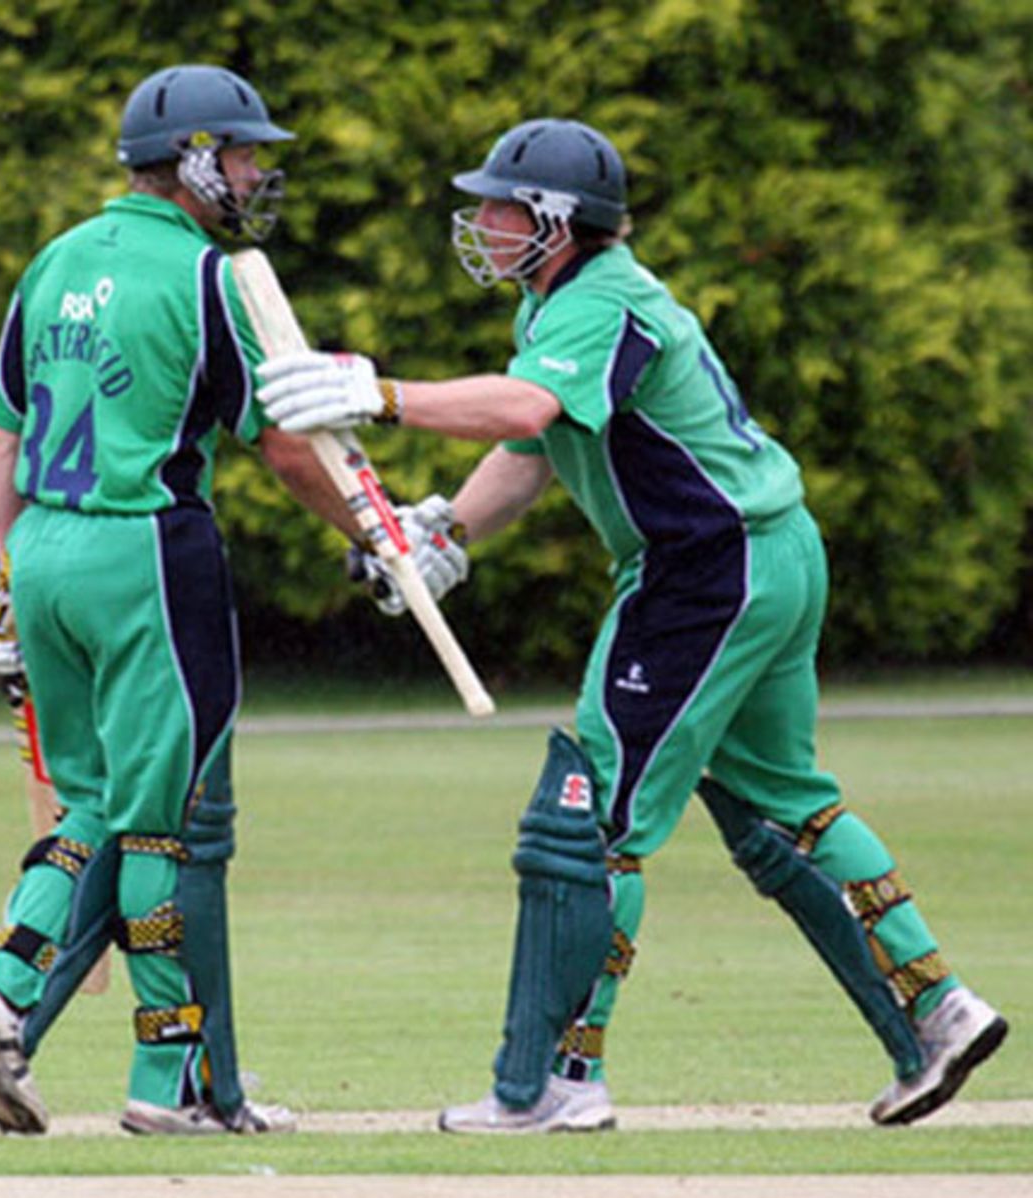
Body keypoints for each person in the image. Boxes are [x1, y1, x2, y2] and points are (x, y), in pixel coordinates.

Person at [255, 117, 1009, 1132]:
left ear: (558, 223)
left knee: (594, 823)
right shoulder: (567, 306)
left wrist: (377, 393)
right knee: (792, 802)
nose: (482, 221)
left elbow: (523, 412)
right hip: (771, 554)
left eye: (502, 206)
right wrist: (446, 534)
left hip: (702, 574)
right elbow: (539, 447)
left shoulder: (600, 303)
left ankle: (565, 1077)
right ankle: (939, 1005)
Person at [0, 63, 353, 1137]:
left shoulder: (55, 259)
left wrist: (10, 579)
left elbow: (1, 434)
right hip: (150, 555)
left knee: (90, 806)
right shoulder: (213, 278)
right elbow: (282, 445)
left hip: (45, 552)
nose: (258, 172)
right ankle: (162, 1084)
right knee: (159, 827)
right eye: (247, 152)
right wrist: (374, 541)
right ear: (196, 158)